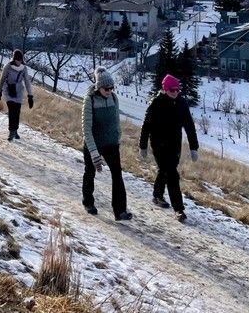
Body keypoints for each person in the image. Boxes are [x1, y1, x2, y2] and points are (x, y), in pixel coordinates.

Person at [139, 73, 199, 222]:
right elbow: (146, 126)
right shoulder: (156, 103)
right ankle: (179, 209)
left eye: (178, 90)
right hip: (159, 145)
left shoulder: (182, 103)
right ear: (165, 89)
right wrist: (143, 146)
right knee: (172, 174)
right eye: (172, 90)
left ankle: (157, 196)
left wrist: (193, 147)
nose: (176, 92)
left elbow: (189, 126)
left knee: (165, 171)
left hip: (174, 145)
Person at [82, 67, 132, 221]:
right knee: (90, 171)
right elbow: (86, 129)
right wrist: (94, 152)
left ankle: (120, 210)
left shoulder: (114, 98)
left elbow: (116, 121)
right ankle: (88, 202)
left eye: (112, 88)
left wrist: (118, 137)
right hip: (94, 144)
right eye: (106, 88)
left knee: (117, 174)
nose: (109, 91)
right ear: (98, 87)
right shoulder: (89, 100)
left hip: (111, 144)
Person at [0, 49, 33, 141]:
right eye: (17, 59)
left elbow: (27, 82)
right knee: (12, 110)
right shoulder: (8, 67)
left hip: (18, 91)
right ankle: (11, 131)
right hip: (8, 89)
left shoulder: (24, 68)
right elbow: (2, 78)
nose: (18, 61)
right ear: (14, 58)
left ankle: (15, 130)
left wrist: (30, 96)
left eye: (20, 60)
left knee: (17, 111)